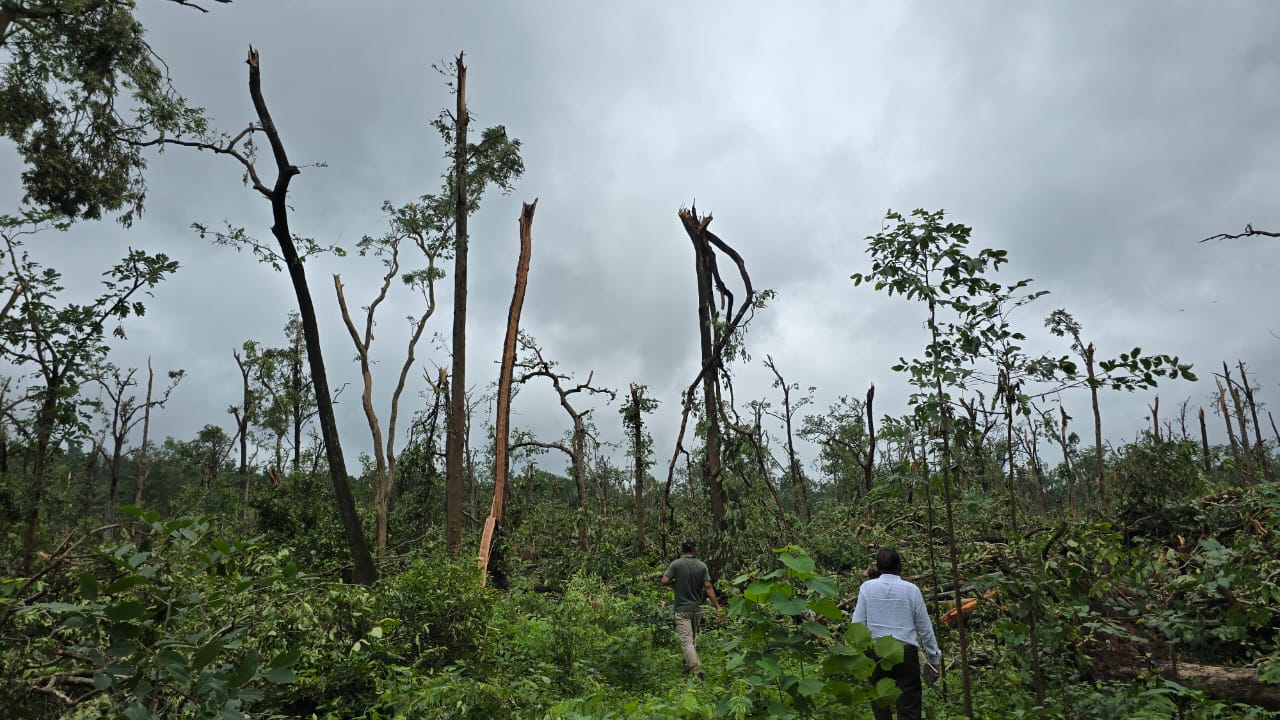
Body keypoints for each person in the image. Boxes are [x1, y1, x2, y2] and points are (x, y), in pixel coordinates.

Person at [851, 546, 942, 720]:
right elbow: (925, 627)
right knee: (909, 708)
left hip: (876, 652)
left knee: (880, 706)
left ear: (877, 567)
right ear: (900, 567)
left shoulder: (867, 588)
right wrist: (933, 658)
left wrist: (861, 654)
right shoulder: (911, 590)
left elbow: (857, 625)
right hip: (905, 654)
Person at [661, 538, 721, 675]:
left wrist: (675, 581)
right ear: (694, 549)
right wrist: (717, 606)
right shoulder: (702, 566)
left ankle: (697, 670)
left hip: (682, 610)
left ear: (683, 550)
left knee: (687, 643)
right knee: (692, 641)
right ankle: (688, 668)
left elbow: (664, 581)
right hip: (697, 609)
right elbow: (708, 586)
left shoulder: (676, 564)